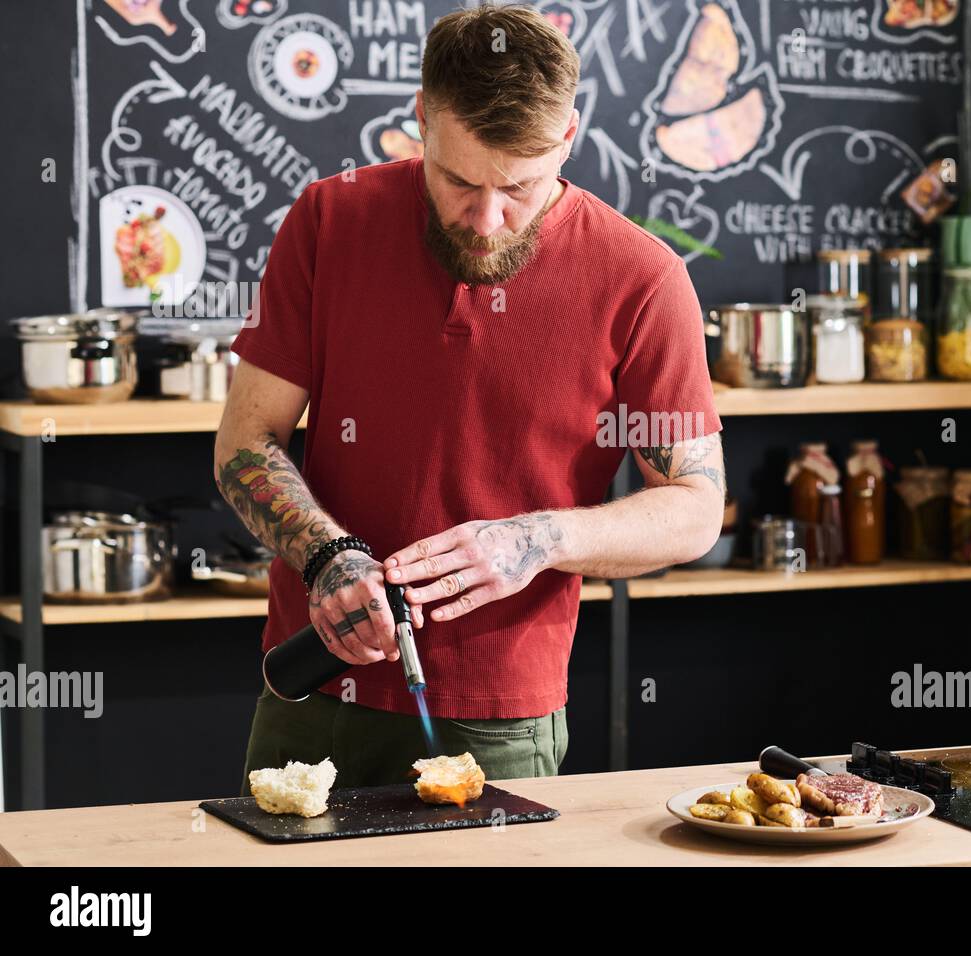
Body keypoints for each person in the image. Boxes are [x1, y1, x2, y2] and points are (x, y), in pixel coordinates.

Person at [215, 3, 724, 790]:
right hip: (312, 686)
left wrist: (536, 541)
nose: (486, 221)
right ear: (421, 119)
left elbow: (694, 507)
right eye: (457, 179)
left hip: (500, 717)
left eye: (518, 187)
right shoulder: (330, 219)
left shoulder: (644, 280)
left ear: (568, 139)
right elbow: (247, 443)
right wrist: (325, 558)